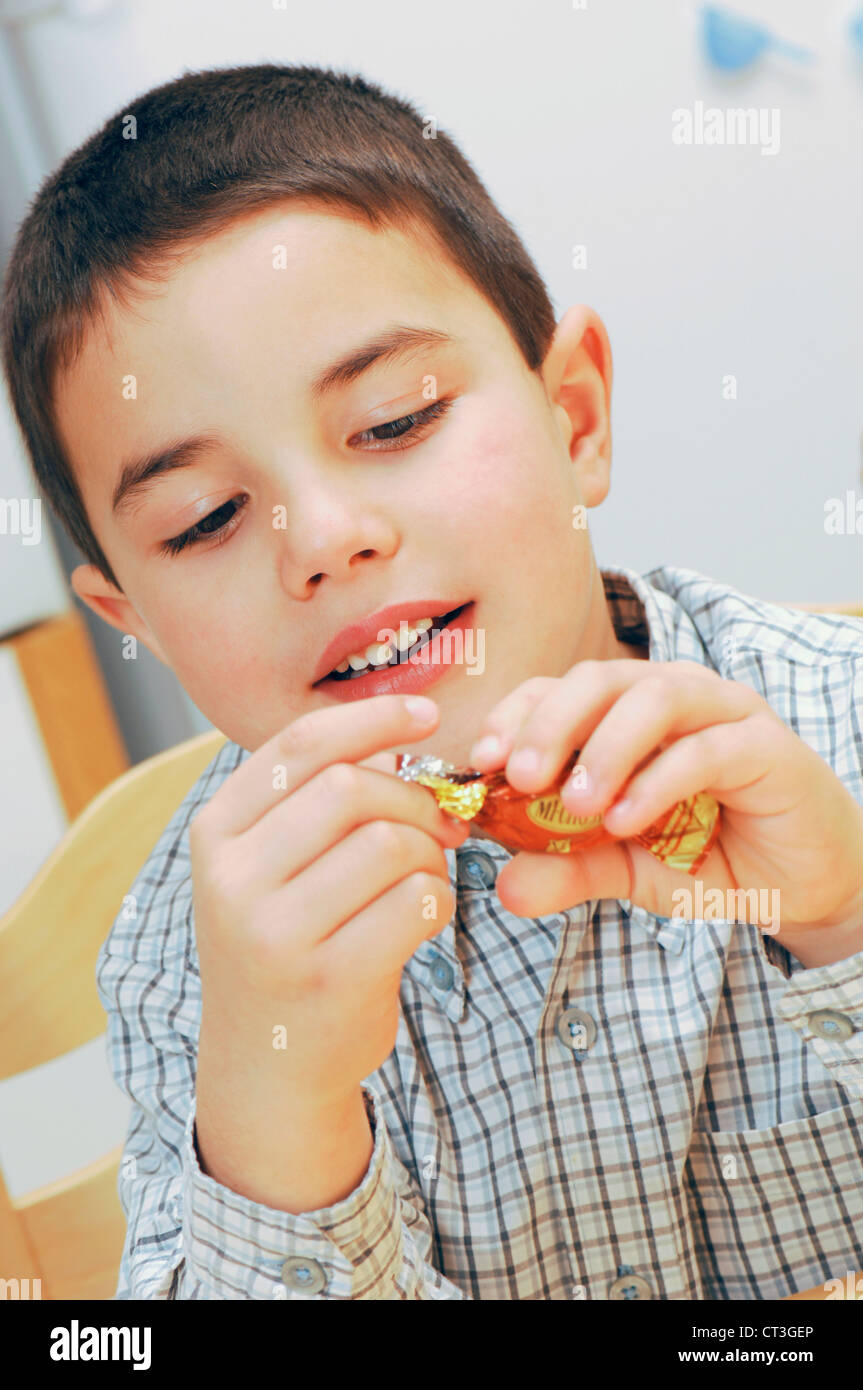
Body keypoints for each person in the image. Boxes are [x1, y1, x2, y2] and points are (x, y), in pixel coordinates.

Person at [2, 62, 862, 1301]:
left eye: (396, 419)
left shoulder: (836, 728)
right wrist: (275, 1110)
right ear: (131, 619)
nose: (323, 539)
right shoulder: (189, 959)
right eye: (204, 520)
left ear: (573, 420)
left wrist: (843, 924)